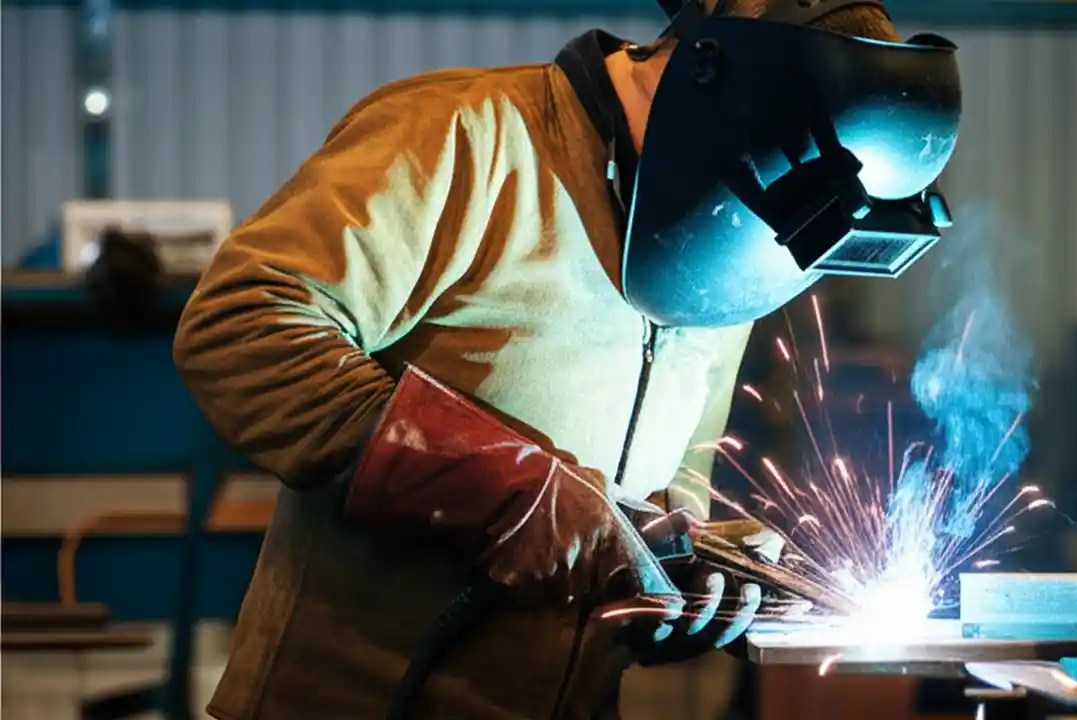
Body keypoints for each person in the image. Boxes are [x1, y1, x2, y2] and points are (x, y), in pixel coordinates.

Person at [173, 1, 959, 718]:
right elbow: (240, 326)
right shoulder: (466, 138)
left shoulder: (740, 232)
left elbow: (677, 472)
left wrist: (681, 563)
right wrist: (505, 491)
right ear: (712, 83)